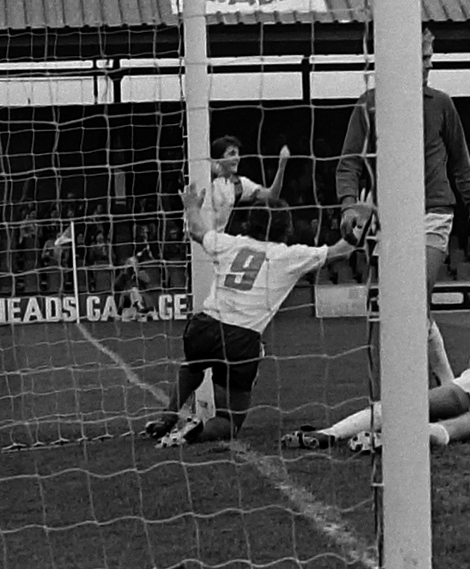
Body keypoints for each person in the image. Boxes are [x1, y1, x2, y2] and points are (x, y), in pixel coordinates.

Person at [335, 27, 470, 386]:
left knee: (414, 297)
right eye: (423, 58)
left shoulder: (441, 104)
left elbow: (461, 162)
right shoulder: (369, 103)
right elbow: (349, 163)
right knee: (391, 310)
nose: (429, 66)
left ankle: (436, 391)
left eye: (430, 58)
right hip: (387, 217)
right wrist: (348, 205)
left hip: (434, 211)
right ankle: (392, 398)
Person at [144, 187, 355, 447]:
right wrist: (364, 225)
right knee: (228, 421)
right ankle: (192, 433)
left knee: (193, 364)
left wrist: (191, 205)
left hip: (204, 326)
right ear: (286, 229)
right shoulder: (288, 255)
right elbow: (340, 251)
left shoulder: (230, 242)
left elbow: (197, 232)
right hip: (241, 338)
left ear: (249, 223)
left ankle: (169, 414)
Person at [281, 280, 470, 451]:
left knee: (401, 408)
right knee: (445, 432)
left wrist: (450, 388)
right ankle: (386, 442)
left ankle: (330, 434)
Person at [206, 135, 291, 233]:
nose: (237, 158)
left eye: (238, 154)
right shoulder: (206, 178)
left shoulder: (238, 184)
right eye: (232, 154)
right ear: (219, 158)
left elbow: (271, 196)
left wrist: (282, 166)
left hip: (216, 241)